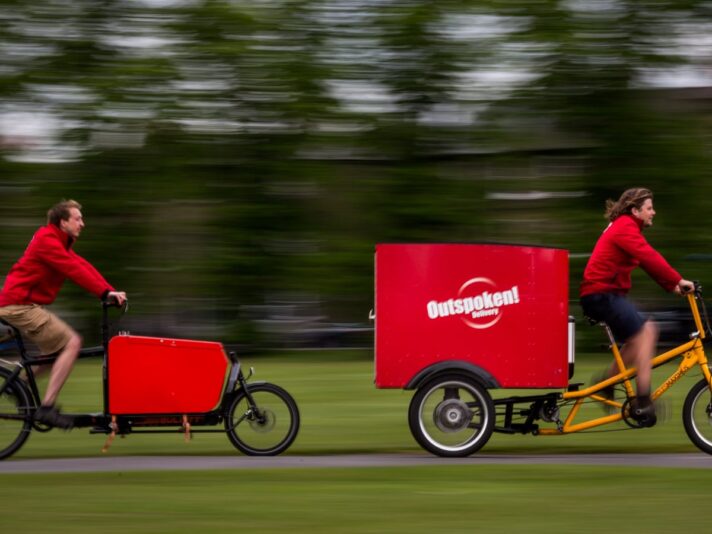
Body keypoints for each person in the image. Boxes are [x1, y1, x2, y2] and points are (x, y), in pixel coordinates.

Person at [0, 200, 126, 429]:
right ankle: (47, 408)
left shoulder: (58, 242)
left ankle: (16, 385)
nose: (82, 224)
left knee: (57, 353)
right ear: (63, 222)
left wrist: (107, 290)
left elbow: (81, 264)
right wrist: (105, 292)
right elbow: (73, 269)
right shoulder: (47, 240)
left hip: (22, 304)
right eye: (77, 219)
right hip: (19, 305)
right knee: (72, 343)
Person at [580, 187, 694, 424]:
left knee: (640, 336)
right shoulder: (625, 227)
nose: (653, 212)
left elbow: (645, 262)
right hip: (601, 294)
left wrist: (672, 286)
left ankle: (606, 384)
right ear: (635, 210)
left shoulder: (626, 228)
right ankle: (643, 400)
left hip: (605, 294)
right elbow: (648, 256)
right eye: (649, 208)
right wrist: (678, 279)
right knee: (648, 332)